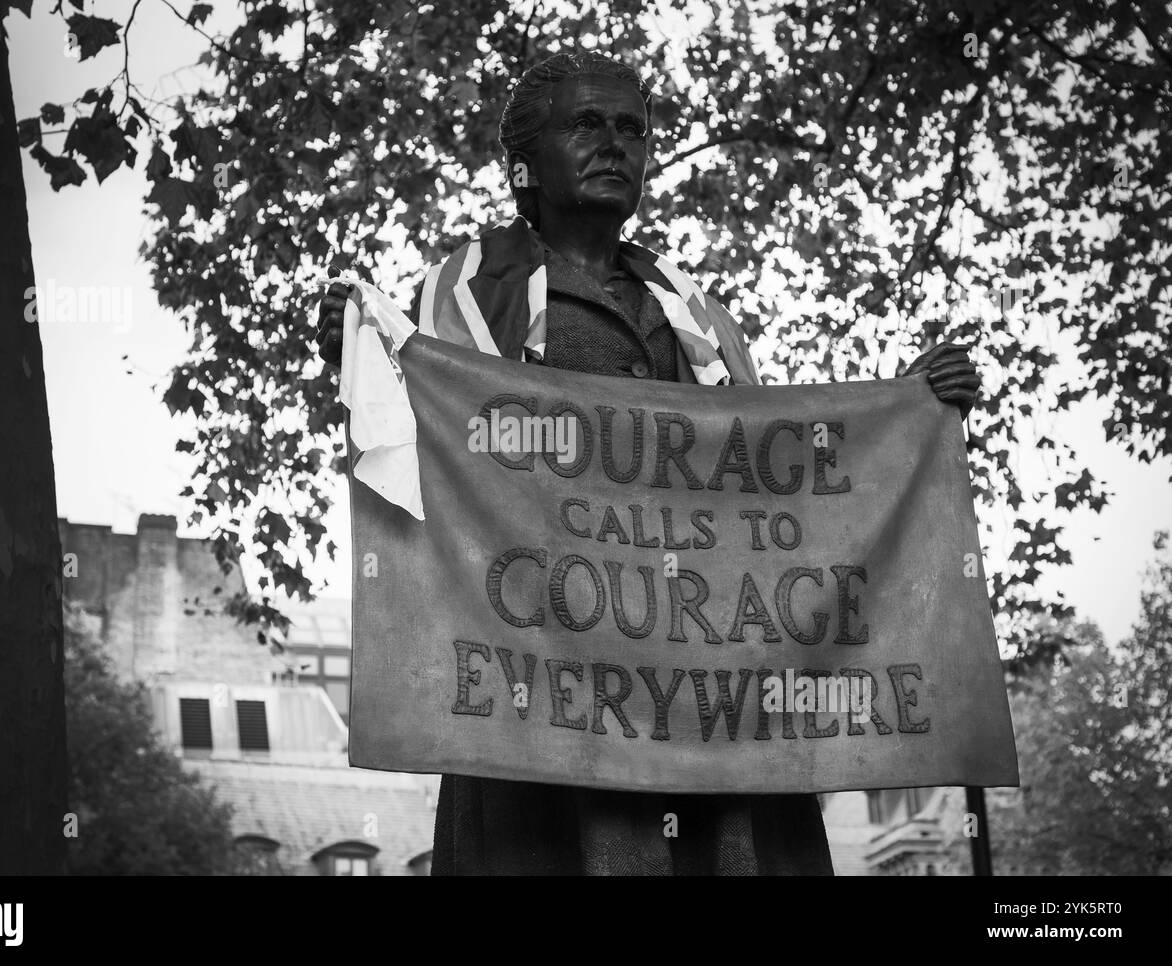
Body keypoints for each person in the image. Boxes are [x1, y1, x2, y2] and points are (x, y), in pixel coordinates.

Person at [318, 51, 980, 875]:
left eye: (633, 129)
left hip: (705, 707)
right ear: (524, 163)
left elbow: (772, 489)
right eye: (587, 124)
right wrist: (363, 368)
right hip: (543, 710)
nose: (616, 144)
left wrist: (906, 415)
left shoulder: (693, 314)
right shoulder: (449, 308)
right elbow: (414, 480)